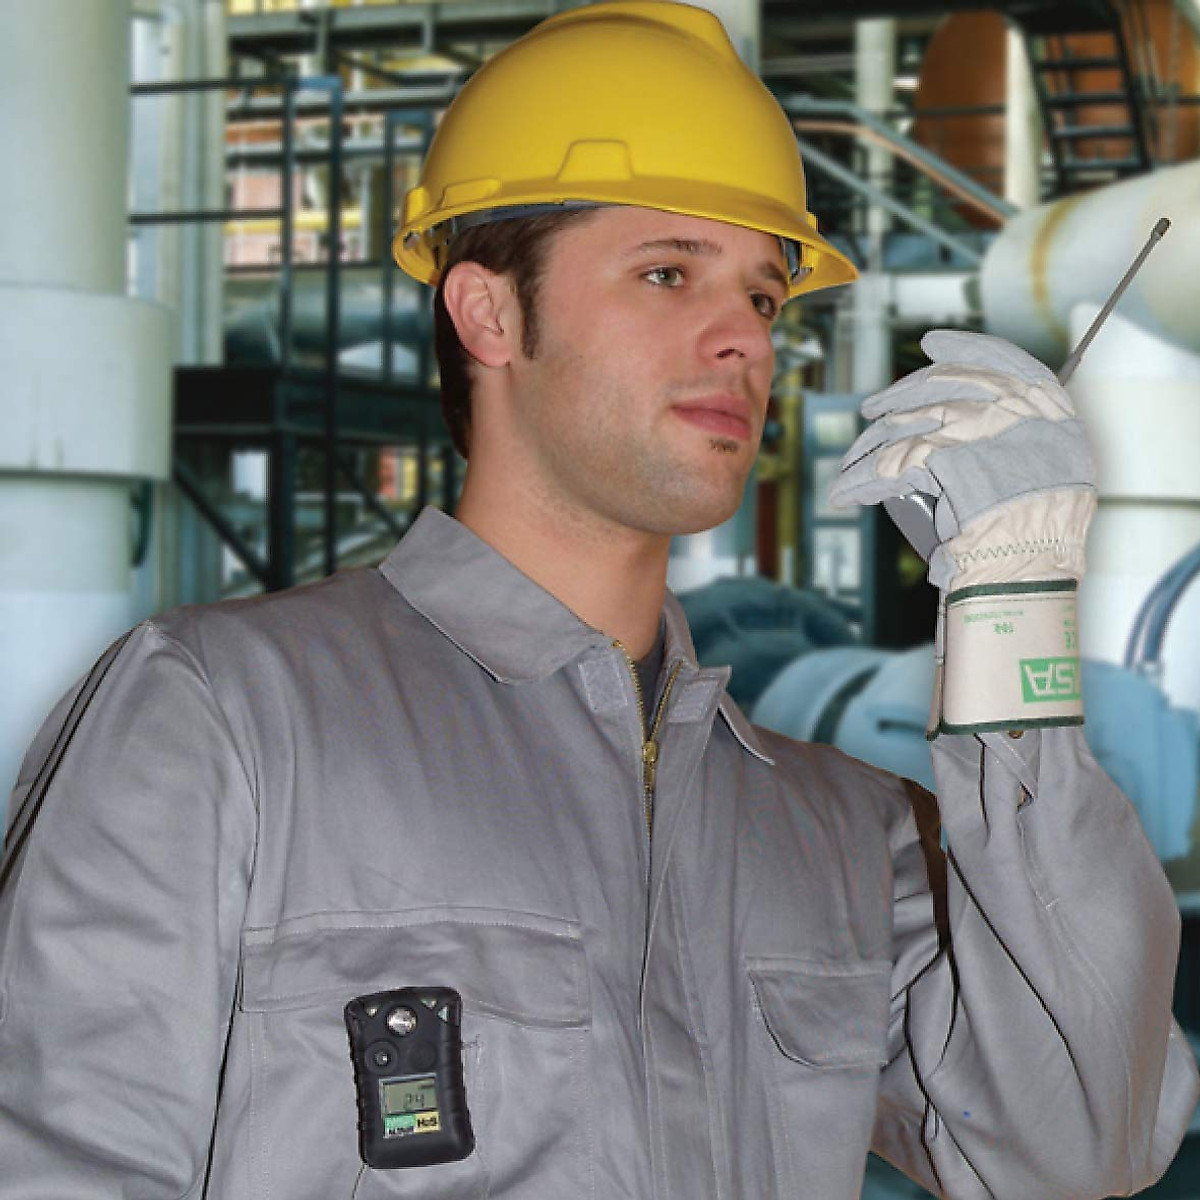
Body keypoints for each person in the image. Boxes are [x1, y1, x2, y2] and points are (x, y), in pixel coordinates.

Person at [1, 2, 1196, 1197]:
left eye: (764, 297)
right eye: (668, 273)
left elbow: (1079, 1143)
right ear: (489, 313)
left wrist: (1012, 606)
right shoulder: (223, 719)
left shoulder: (841, 831)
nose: (744, 340)